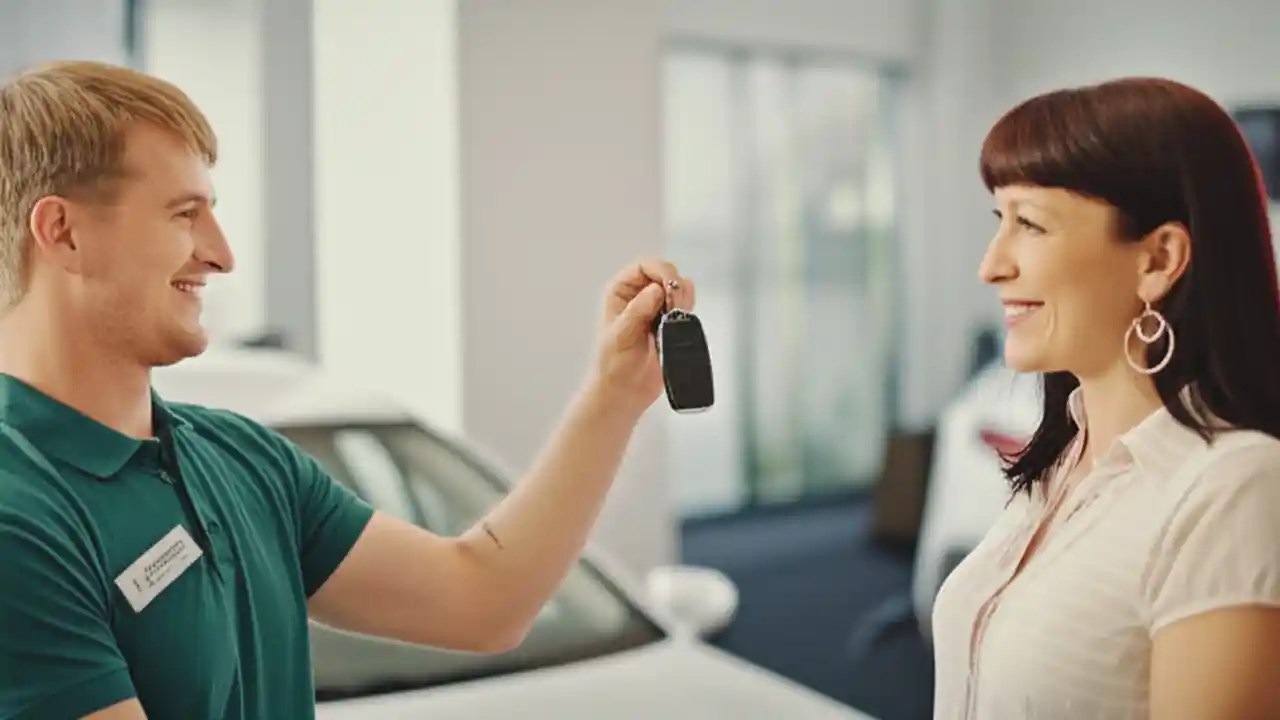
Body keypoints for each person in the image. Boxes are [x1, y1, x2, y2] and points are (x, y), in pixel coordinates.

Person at [0, 60, 694, 720]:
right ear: (62, 233)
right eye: (184, 214)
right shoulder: (17, 521)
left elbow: (485, 598)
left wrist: (614, 394)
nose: (222, 253)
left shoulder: (241, 458)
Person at [931, 76, 1280, 719]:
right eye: (998, 221)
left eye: (1029, 224)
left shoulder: (1234, 486)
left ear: (1158, 259)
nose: (991, 265)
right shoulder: (1067, 454)